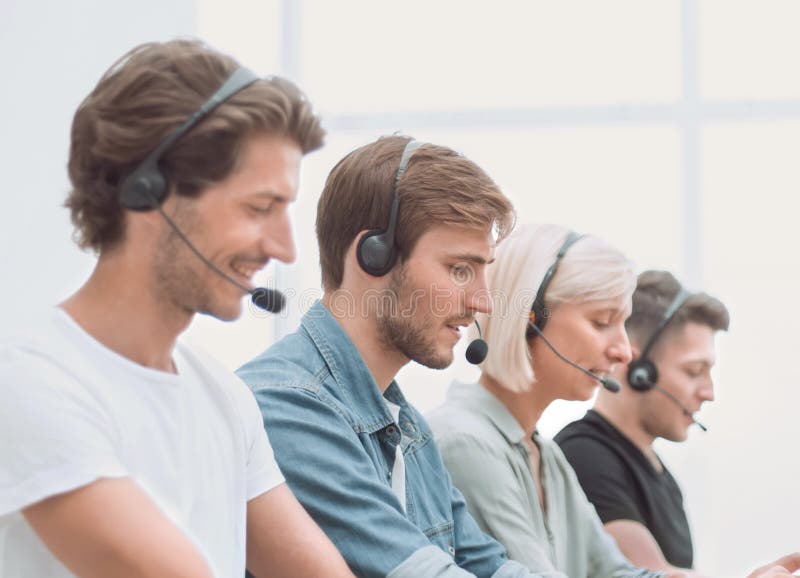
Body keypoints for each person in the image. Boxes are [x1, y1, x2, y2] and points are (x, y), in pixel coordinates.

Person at [0, 39, 354, 578]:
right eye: (260, 208)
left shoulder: (225, 400)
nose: (284, 249)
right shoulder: (28, 382)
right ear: (148, 193)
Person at [237, 136, 551, 577]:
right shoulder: (286, 409)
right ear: (374, 256)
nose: (483, 302)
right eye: (461, 270)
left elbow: (491, 568)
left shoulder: (408, 429)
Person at [428, 223, 673, 578]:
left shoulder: (548, 458)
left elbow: (615, 572)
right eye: (603, 322)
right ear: (531, 319)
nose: (623, 352)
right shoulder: (466, 444)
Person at [554, 270, 722, 571]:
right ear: (638, 370)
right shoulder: (584, 455)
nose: (708, 393)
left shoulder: (661, 476)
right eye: (694, 371)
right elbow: (648, 575)